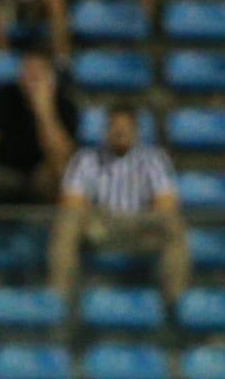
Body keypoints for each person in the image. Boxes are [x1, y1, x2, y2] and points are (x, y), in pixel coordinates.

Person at [51, 104, 189, 304]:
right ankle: (59, 301)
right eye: (114, 126)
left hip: (140, 228)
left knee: (174, 225)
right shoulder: (85, 159)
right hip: (98, 228)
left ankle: (174, 304)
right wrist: (100, 219)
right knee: (67, 223)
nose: (120, 131)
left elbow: (166, 205)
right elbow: (72, 203)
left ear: (136, 130)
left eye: (126, 126)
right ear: (105, 130)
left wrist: (135, 221)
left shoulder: (154, 159)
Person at [0, 46, 77, 248]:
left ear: (50, 78)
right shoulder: (1, 97)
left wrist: (44, 111)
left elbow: (62, 158)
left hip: (39, 177)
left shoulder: (65, 105)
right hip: (3, 173)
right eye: (26, 70)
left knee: (65, 179)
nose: (31, 77)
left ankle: (61, 245)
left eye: (38, 72)